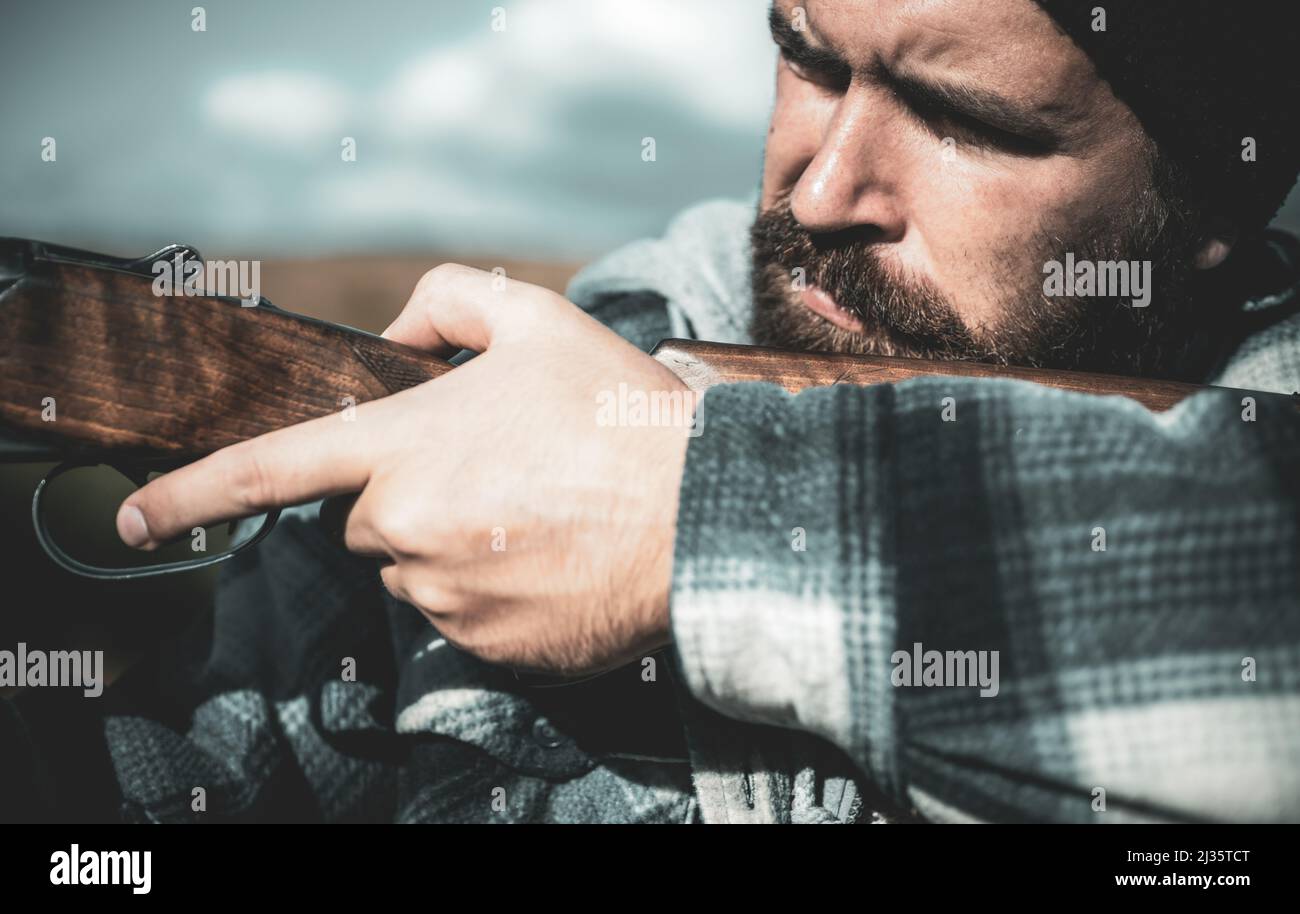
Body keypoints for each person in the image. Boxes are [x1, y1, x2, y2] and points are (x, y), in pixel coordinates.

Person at [7, 0, 1299, 823]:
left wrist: (697, 521)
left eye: (969, 119)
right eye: (805, 54)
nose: (826, 188)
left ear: (1210, 223)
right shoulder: (574, 369)